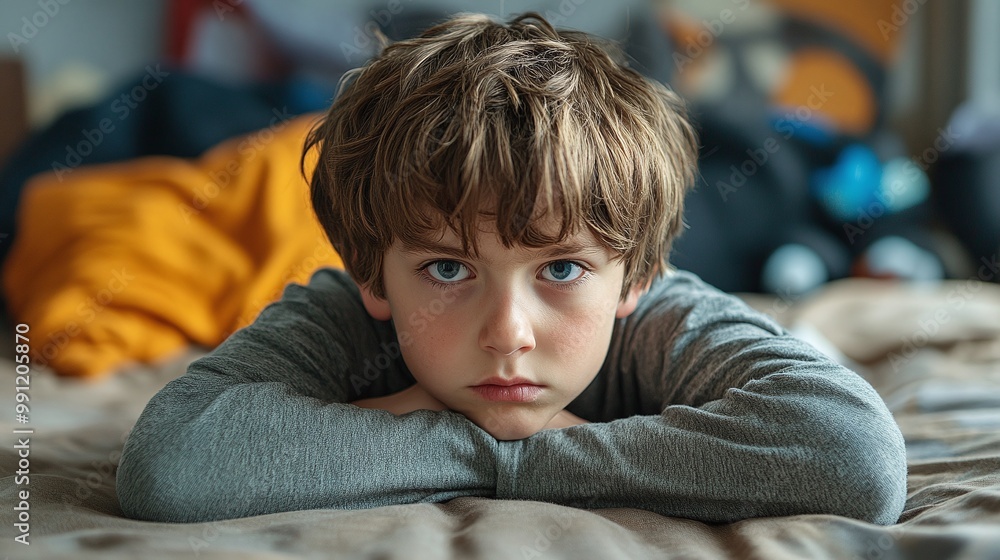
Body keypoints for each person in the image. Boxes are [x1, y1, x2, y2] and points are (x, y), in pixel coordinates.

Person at [116, 12, 907, 524]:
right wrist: (495, 445)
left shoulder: (664, 315)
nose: (507, 336)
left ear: (633, 279)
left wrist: (505, 451)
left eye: (561, 271)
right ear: (373, 273)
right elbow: (173, 463)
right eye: (449, 271)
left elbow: (853, 455)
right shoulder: (346, 311)